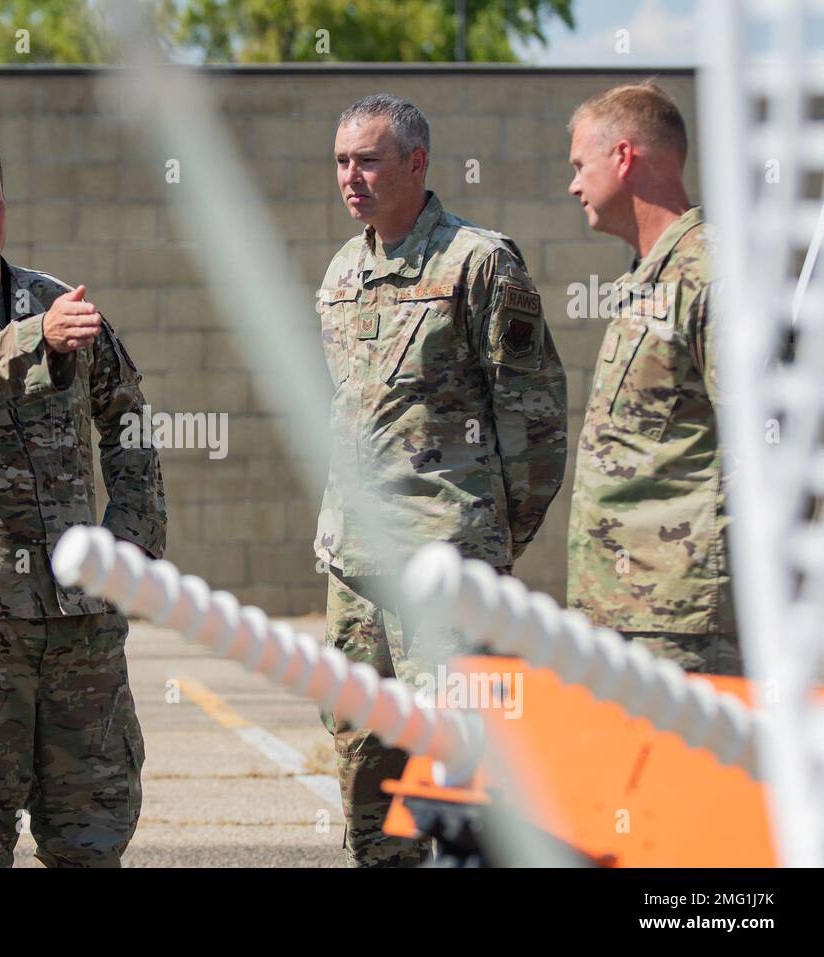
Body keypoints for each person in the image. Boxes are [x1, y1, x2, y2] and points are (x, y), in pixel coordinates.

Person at [0, 129, 166, 867]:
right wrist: (31, 342)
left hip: (80, 631)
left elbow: (131, 418)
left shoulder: (57, 302)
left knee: (92, 839)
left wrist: (132, 535)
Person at [315, 94, 568, 867]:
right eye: (341, 162)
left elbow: (537, 424)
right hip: (356, 566)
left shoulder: (479, 262)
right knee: (365, 757)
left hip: (445, 565)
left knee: (464, 765)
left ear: (417, 164)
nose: (350, 177)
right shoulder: (341, 272)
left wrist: (485, 540)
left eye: (368, 160)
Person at [565, 82, 740, 675]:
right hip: (620, 615)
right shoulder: (646, 279)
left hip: (680, 622)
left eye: (580, 165)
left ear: (623, 156)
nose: (573, 184)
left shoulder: (710, 274)